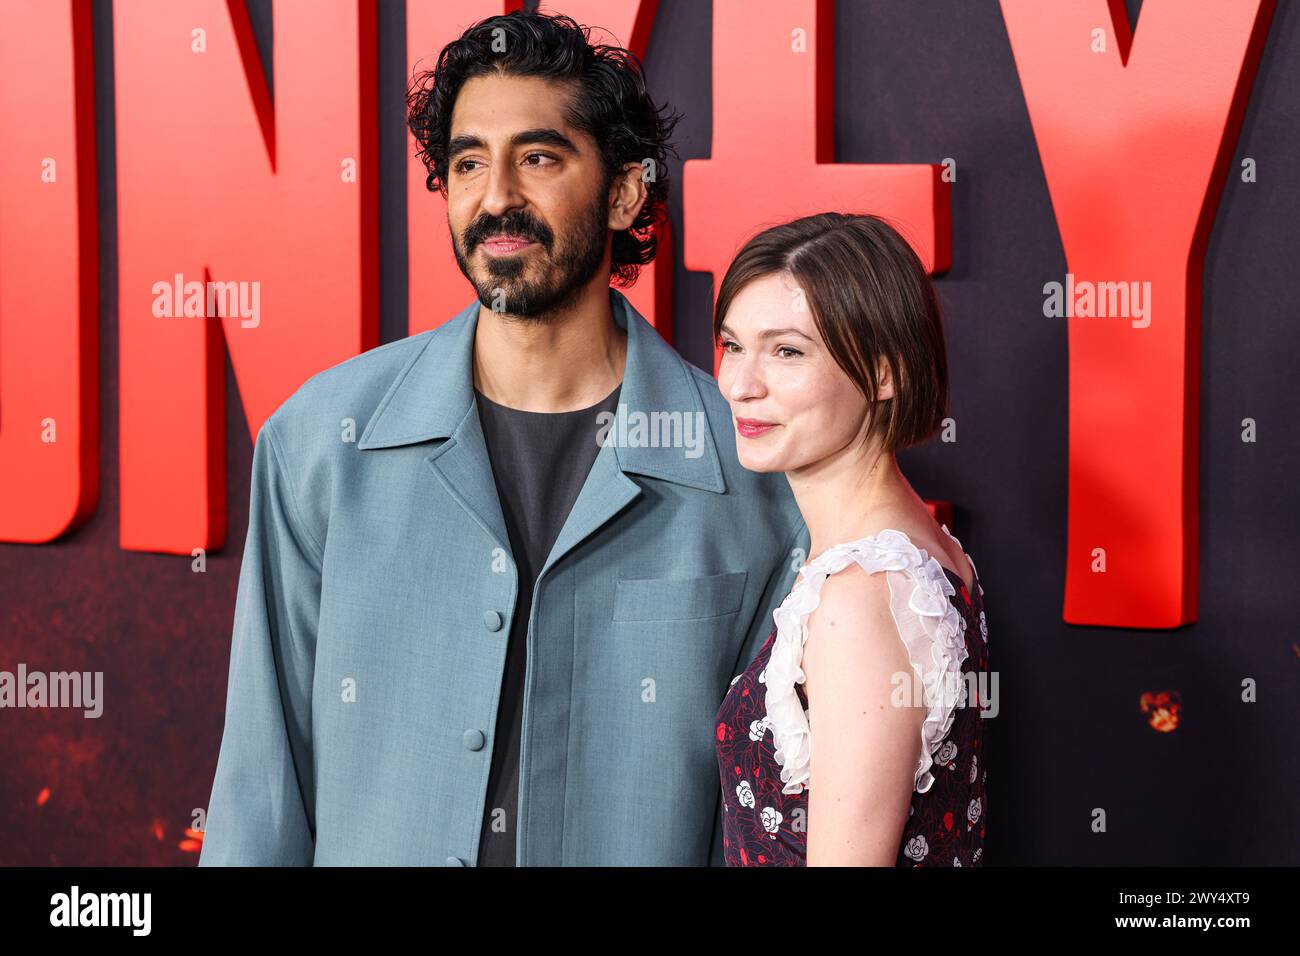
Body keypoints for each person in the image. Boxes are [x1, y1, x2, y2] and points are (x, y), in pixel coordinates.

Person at [198, 11, 806, 866]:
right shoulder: (319, 444)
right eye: (468, 163)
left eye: (539, 158)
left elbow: (762, 828)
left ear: (625, 192)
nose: (495, 198)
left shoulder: (755, 474)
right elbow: (261, 793)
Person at [712, 212, 991, 866]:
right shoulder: (915, 551)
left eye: (787, 351)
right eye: (732, 345)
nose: (741, 385)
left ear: (885, 373)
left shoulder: (862, 599)